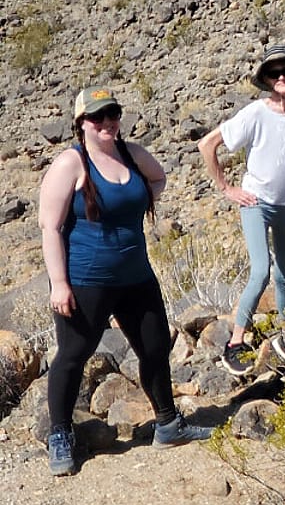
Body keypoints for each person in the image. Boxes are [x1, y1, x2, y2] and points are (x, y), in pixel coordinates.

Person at [39, 86, 213, 476]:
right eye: (97, 117)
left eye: (112, 114)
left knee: (154, 349)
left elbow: (159, 179)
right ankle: (61, 434)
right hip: (87, 280)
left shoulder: (131, 154)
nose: (106, 123)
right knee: (72, 357)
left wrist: (136, 204)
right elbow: (49, 226)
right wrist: (59, 283)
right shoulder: (72, 163)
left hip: (136, 276)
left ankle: (168, 423)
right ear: (80, 123)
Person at [198, 44, 285, 375]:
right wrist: (226, 188)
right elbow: (207, 144)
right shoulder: (256, 113)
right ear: (266, 80)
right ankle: (236, 341)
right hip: (256, 201)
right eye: (274, 73)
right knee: (262, 269)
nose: (281, 77)